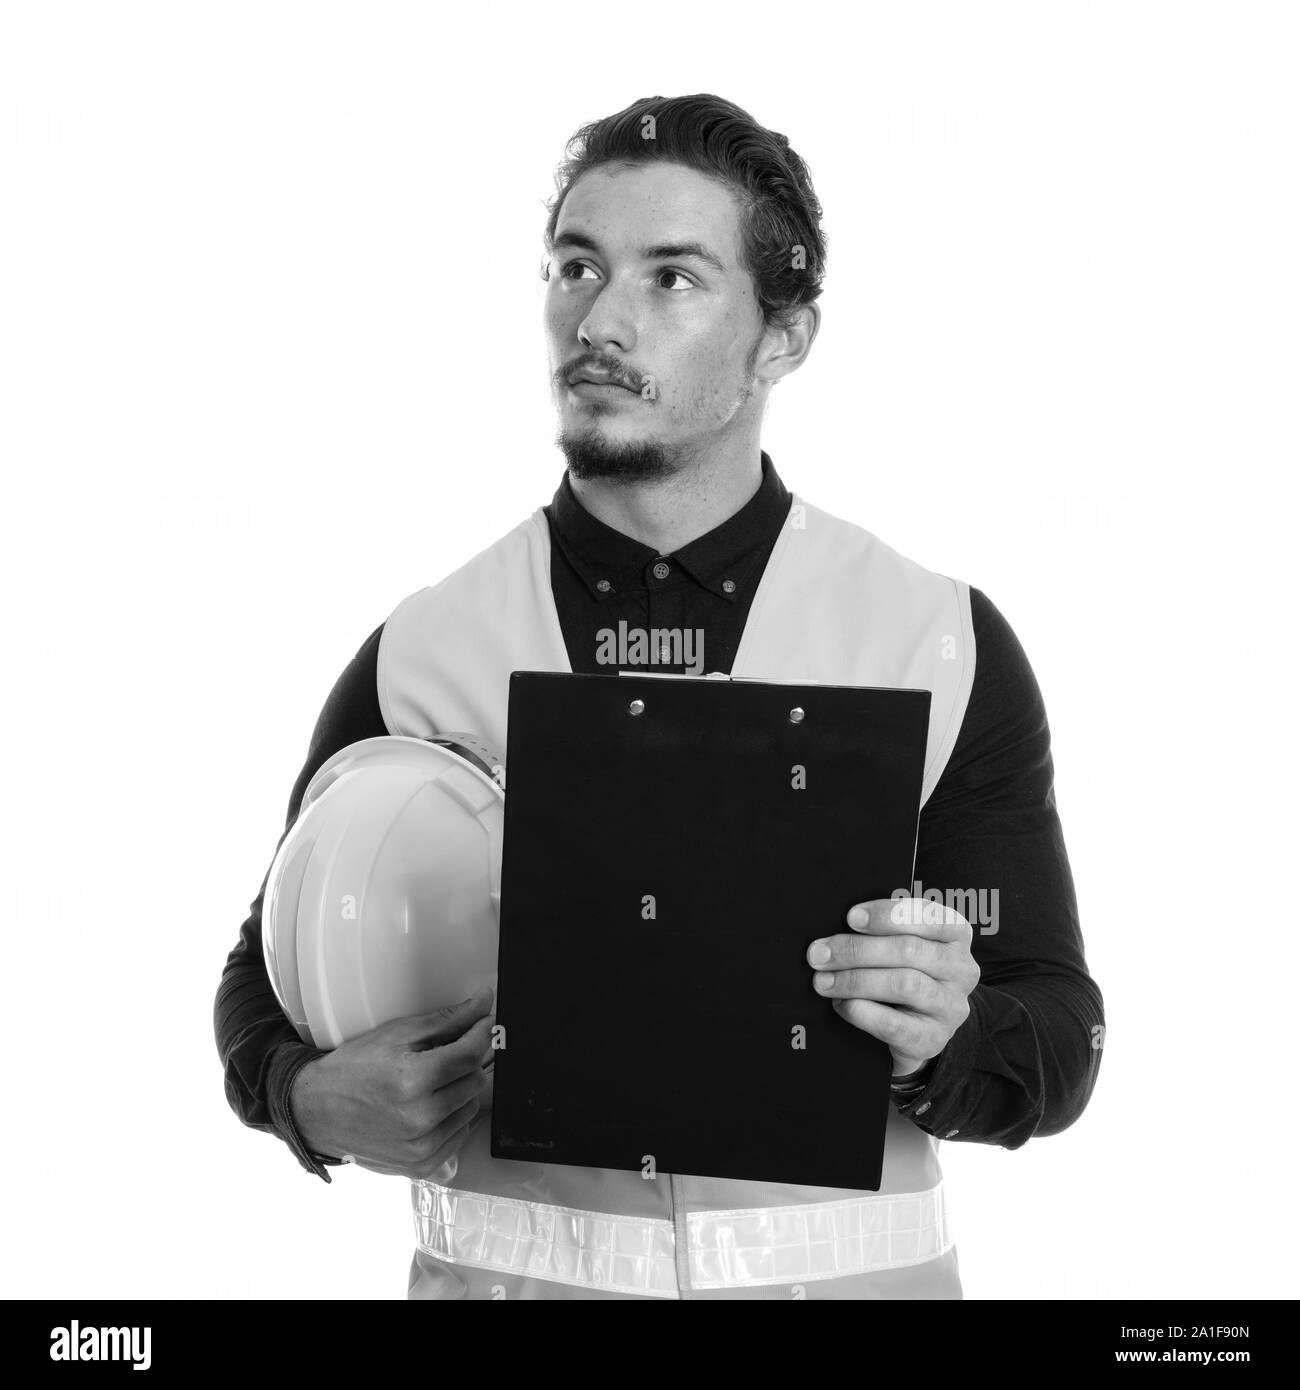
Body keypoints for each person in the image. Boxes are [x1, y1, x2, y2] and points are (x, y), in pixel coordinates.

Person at [215, 92, 1104, 1300]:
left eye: (672, 278)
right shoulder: (420, 650)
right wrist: (302, 1096)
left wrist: (946, 1035)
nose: (602, 317)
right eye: (576, 265)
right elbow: (262, 971)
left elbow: (1055, 1035)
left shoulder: (935, 640)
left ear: (781, 341)